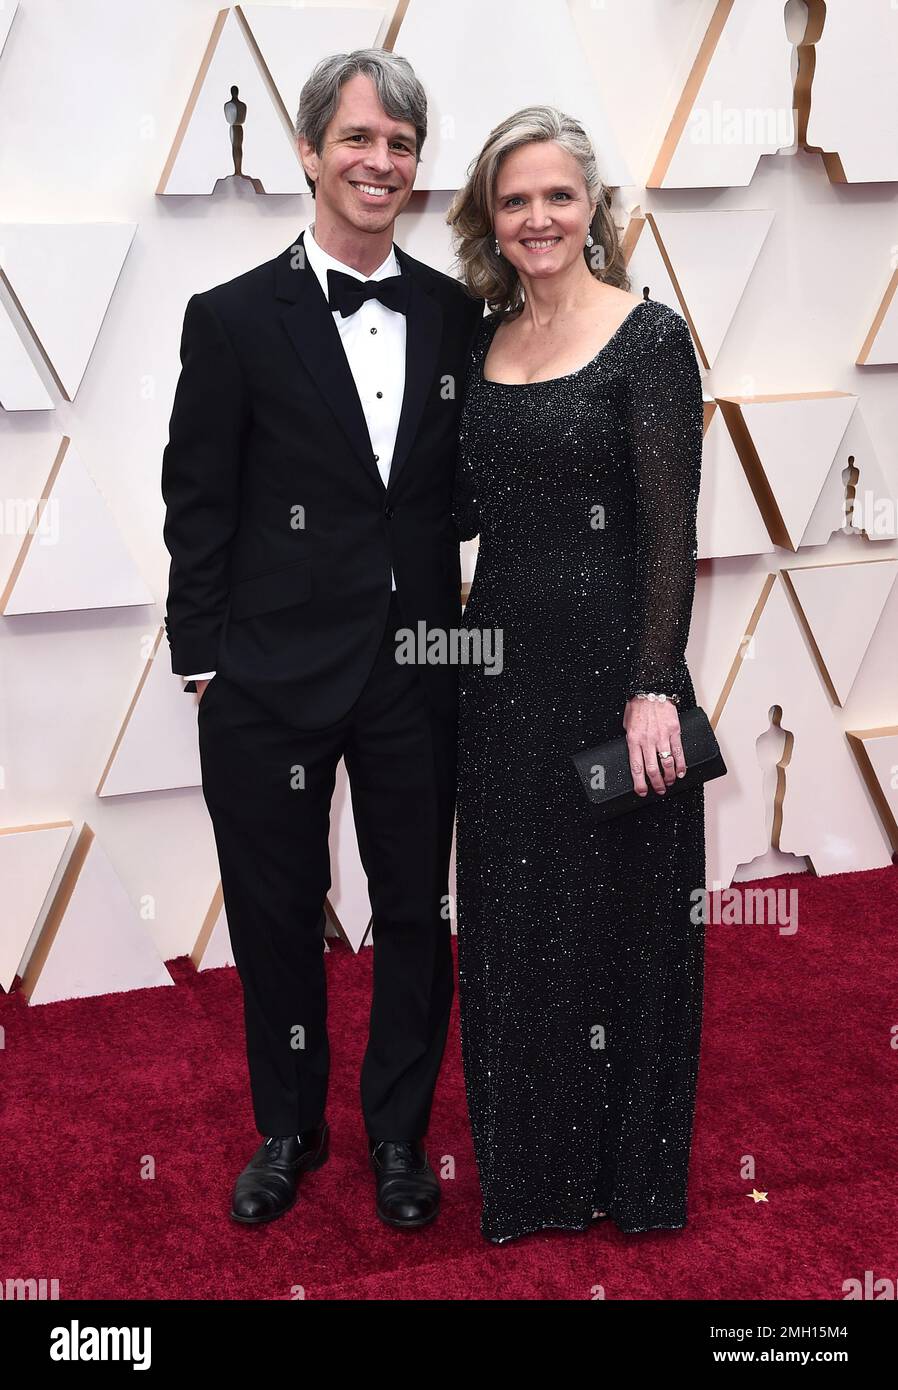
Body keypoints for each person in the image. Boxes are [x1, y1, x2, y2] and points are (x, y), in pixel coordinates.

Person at [161, 50, 483, 1229]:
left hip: (417, 671)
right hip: (265, 678)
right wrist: (203, 660)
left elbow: (465, 490)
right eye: (358, 139)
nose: (379, 161)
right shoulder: (235, 318)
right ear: (308, 151)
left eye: (400, 143)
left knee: (414, 909)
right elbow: (195, 497)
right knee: (275, 911)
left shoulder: (454, 312)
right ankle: (288, 1130)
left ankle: (398, 1135)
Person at [447, 106, 706, 1243]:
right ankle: (535, 1175)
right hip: (501, 679)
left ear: (593, 206)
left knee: (621, 926)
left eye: (559, 195)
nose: (538, 217)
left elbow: (668, 529)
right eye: (516, 200)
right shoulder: (482, 339)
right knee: (513, 925)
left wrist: (654, 681)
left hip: (615, 682)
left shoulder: (647, 338)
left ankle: (625, 1173)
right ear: (490, 220)